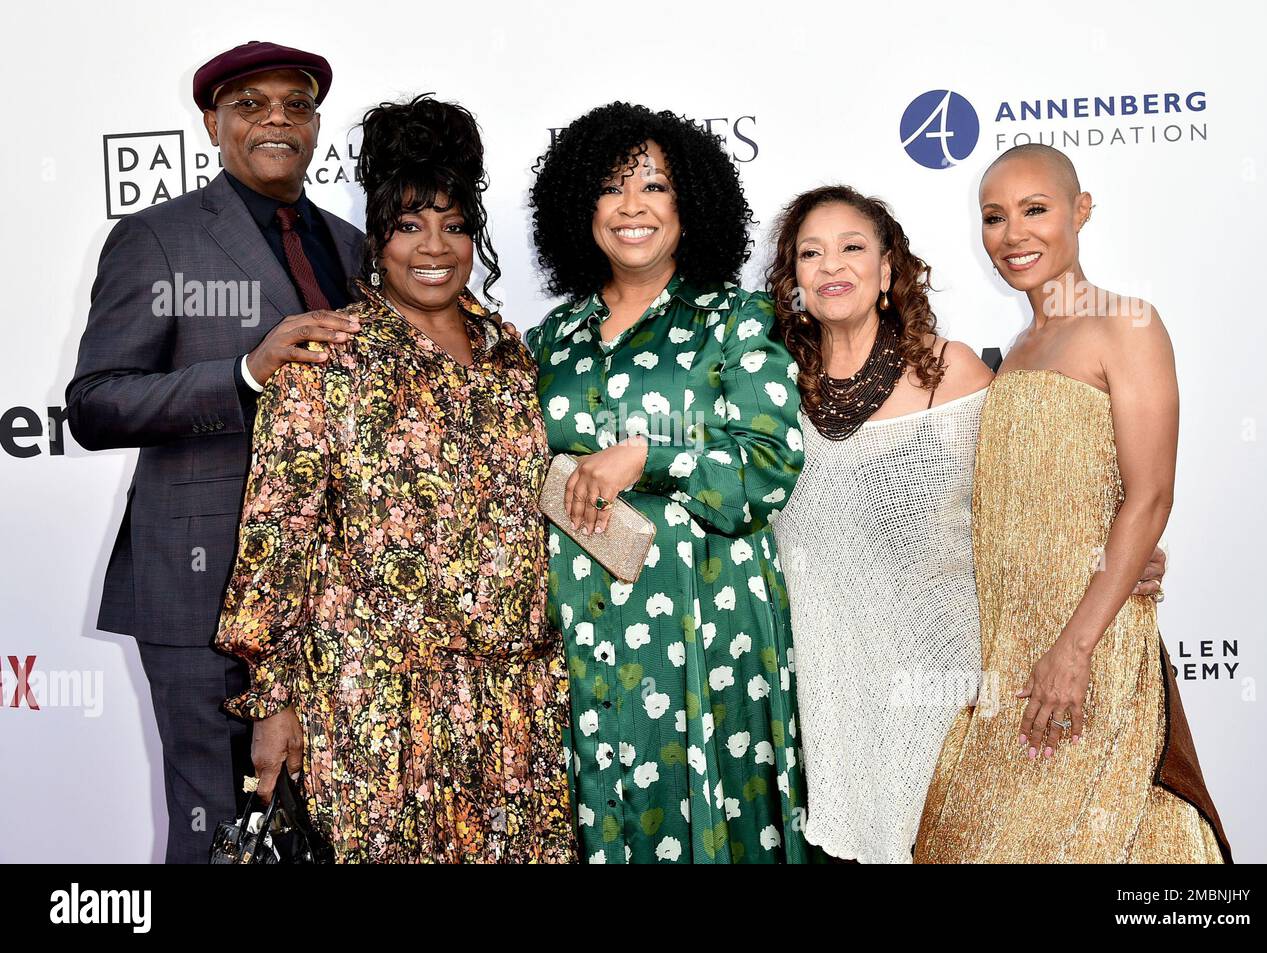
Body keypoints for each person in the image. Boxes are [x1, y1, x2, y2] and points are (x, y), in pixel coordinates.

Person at [214, 93, 574, 863]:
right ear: (377, 239)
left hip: (517, 706)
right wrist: (274, 701)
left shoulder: (510, 354)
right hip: (376, 710)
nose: (433, 246)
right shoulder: (329, 356)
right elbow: (280, 537)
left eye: (454, 223)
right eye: (410, 225)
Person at [65, 41, 363, 863]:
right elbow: (94, 403)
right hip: (199, 598)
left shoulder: (355, 248)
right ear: (212, 122)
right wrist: (242, 372)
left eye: (295, 105)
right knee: (220, 830)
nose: (275, 119)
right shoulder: (155, 238)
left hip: (331, 602)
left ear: (313, 125)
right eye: (250, 105)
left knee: (330, 830)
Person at [915, 144, 1231, 863]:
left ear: (1080, 211)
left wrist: (1075, 648)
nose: (1012, 234)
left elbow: (1150, 497)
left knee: (1077, 837)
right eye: (993, 217)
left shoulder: (1127, 324)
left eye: (1035, 209)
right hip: (1007, 645)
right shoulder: (1014, 351)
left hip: (1086, 641)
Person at [527, 102, 811, 863]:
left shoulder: (739, 321)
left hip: (704, 627)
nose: (631, 207)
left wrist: (648, 450)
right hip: (577, 632)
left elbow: (766, 462)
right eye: (611, 187)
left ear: (691, 204)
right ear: (578, 205)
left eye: (654, 186)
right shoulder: (551, 338)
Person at [767, 186, 992, 863]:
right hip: (827, 708)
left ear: (889, 268)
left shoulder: (953, 374)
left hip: (942, 691)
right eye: (811, 252)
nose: (832, 265)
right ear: (793, 278)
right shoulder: (771, 390)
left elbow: (1019, 514)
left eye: (852, 247)